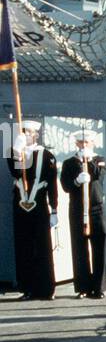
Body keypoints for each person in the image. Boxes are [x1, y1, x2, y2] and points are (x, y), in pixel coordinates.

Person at [7, 119, 58, 300]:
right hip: (20, 204)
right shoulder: (14, 153)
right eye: (23, 132)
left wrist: (54, 209)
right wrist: (15, 151)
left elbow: (52, 184)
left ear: (36, 134)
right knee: (24, 247)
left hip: (39, 204)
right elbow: (15, 172)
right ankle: (27, 288)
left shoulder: (47, 155)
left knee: (42, 247)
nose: (25, 135)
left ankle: (46, 289)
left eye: (28, 132)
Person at [60, 132, 106, 298]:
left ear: (93, 143)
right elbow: (65, 185)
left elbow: (99, 176)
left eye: (87, 142)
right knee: (79, 247)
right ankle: (83, 286)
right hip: (77, 208)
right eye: (81, 142)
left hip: (96, 208)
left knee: (99, 246)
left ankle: (98, 287)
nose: (84, 145)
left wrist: (87, 162)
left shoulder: (99, 159)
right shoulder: (69, 163)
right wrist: (77, 180)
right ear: (76, 144)